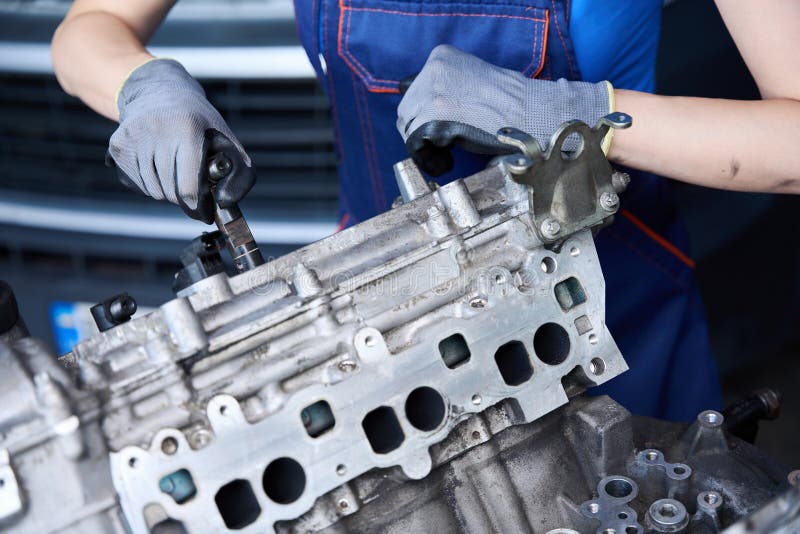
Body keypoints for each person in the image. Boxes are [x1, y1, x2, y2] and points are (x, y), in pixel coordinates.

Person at [51, 1, 800, 420]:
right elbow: (90, 28)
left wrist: (579, 114)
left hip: (610, 320)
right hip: (379, 325)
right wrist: (142, 86)